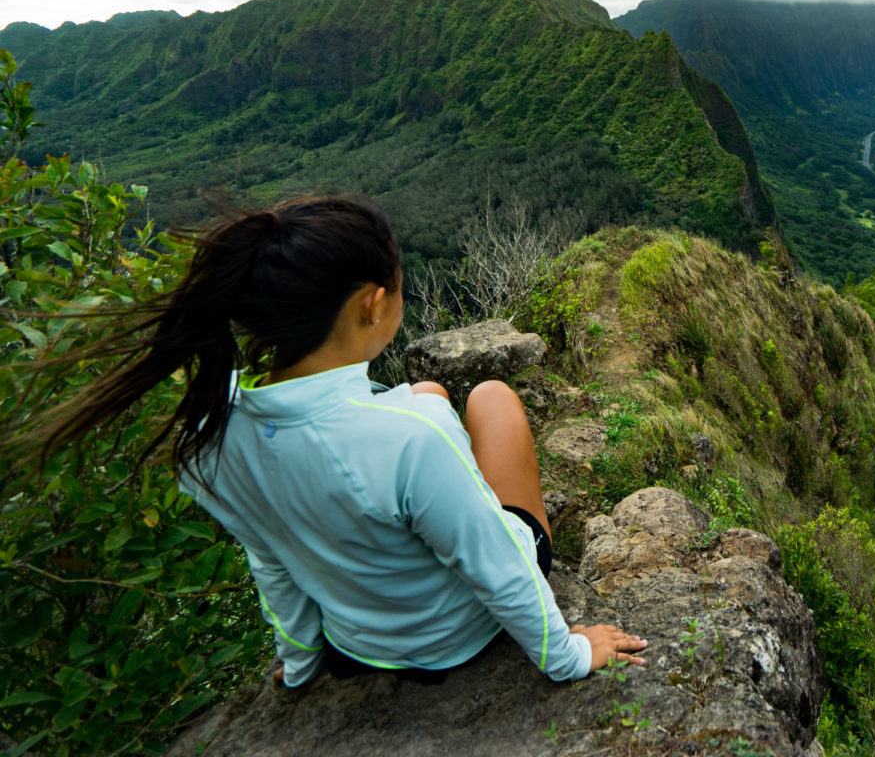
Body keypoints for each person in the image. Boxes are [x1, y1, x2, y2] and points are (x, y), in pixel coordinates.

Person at [26, 193, 646, 688]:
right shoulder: (412, 438)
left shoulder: (210, 437)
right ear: (371, 305)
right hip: (458, 634)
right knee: (490, 398)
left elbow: (272, 559)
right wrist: (568, 654)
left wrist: (300, 662)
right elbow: (497, 564)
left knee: (428, 391)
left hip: (359, 647)